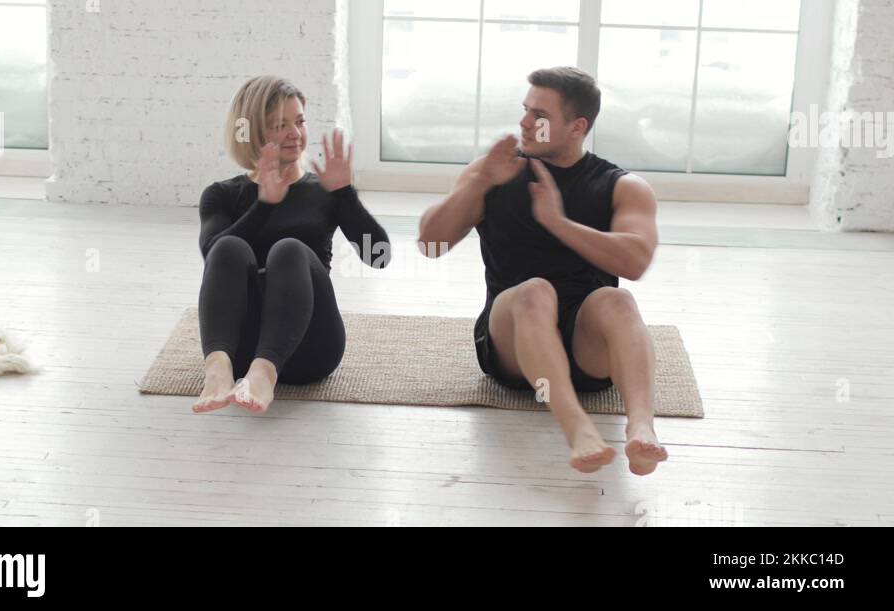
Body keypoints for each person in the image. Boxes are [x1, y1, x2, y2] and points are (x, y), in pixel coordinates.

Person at [418, 67, 668, 476]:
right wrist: (478, 183)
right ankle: (577, 429)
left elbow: (637, 261)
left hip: (585, 351)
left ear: (577, 126)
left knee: (617, 299)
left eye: (540, 116)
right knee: (534, 291)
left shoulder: (621, 185)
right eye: (525, 110)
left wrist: (559, 223)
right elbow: (430, 244)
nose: (524, 123)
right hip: (513, 343)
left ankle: (641, 428)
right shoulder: (494, 170)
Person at [194, 76, 390, 415]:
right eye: (279, 125)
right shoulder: (221, 195)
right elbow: (213, 258)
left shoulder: (323, 191)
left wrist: (345, 194)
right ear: (254, 132)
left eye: (299, 121)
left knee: (289, 249)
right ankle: (218, 370)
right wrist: (264, 205)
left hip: (310, 349)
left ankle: (265, 373)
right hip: (242, 348)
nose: (294, 133)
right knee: (227, 247)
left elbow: (379, 257)